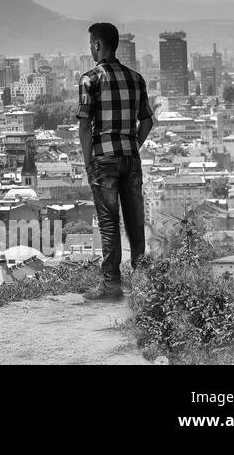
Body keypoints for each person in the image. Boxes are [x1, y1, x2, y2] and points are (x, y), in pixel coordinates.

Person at [77, 22, 154, 300]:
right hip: (130, 159)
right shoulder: (136, 78)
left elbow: (85, 127)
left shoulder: (90, 80)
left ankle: (111, 286)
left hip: (104, 161)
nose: (91, 49)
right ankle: (143, 282)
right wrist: (132, 144)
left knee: (109, 223)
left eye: (91, 45)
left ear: (98, 45)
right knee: (135, 221)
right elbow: (147, 122)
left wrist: (89, 163)